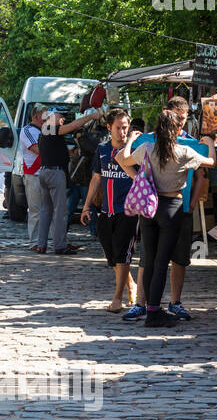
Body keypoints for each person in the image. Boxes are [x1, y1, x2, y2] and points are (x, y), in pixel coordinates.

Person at [117, 110, 214, 328]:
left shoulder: (147, 148)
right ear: (177, 130)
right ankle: (153, 312)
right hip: (172, 208)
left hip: (149, 208)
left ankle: (149, 307)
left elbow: (122, 158)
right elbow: (210, 162)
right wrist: (209, 143)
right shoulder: (184, 151)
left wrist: (131, 138)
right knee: (162, 262)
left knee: (149, 260)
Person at [81, 108, 138, 312]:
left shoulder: (134, 150)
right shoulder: (102, 150)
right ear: (109, 128)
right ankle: (131, 284)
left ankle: (117, 298)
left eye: (125, 128)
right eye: (118, 128)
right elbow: (96, 178)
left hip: (128, 211)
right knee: (112, 255)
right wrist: (86, 206)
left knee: (123, 254)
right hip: (106, 211)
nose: (123, 132)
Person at [34, 107, 101, 255]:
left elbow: (53, 150)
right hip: (55, 173)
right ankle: (59, 246)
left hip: (44, 172)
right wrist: (91, 117)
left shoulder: (45, 131)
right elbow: (73, 126)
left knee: (46, 210)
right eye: (60, 115)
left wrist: (70, 153)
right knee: (60, 212)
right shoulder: (51, 127)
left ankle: (41, 245)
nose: (63, 118)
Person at [19, 106, 45, 245]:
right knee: (36, 210)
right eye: (44, 115)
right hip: (34, 174)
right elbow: (37, 150)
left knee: (52, 210)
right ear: (36, 116)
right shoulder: (27, 130)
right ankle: (35, 242)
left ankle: (53, 241)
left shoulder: (46, 130)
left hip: (47, 173)